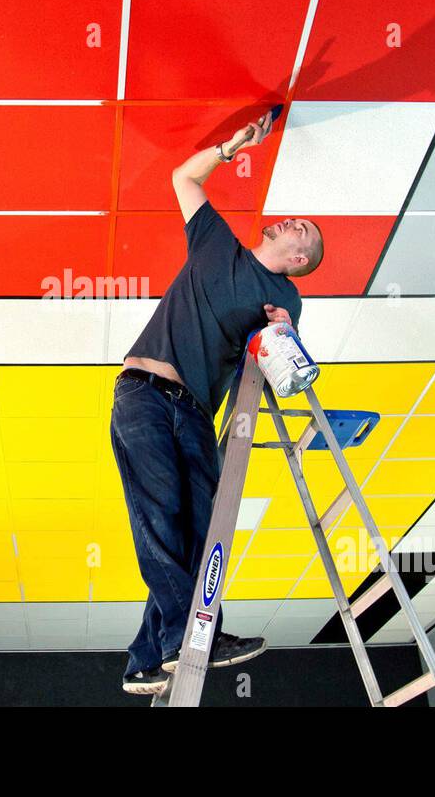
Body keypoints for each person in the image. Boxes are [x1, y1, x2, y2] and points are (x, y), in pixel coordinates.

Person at [111, 109, 325, 695]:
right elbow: (184, 178)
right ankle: (194, 636)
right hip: (145, 397)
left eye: (301, 229)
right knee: (158, 517)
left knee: (199, 533)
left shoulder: (283, 299)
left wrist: (284, 334)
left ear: (299, 260)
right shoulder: (215, 242)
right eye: (295, 220)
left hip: (196, 414)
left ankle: (144, 661)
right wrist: (233, 145)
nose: (292, 222)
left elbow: (282, 368)